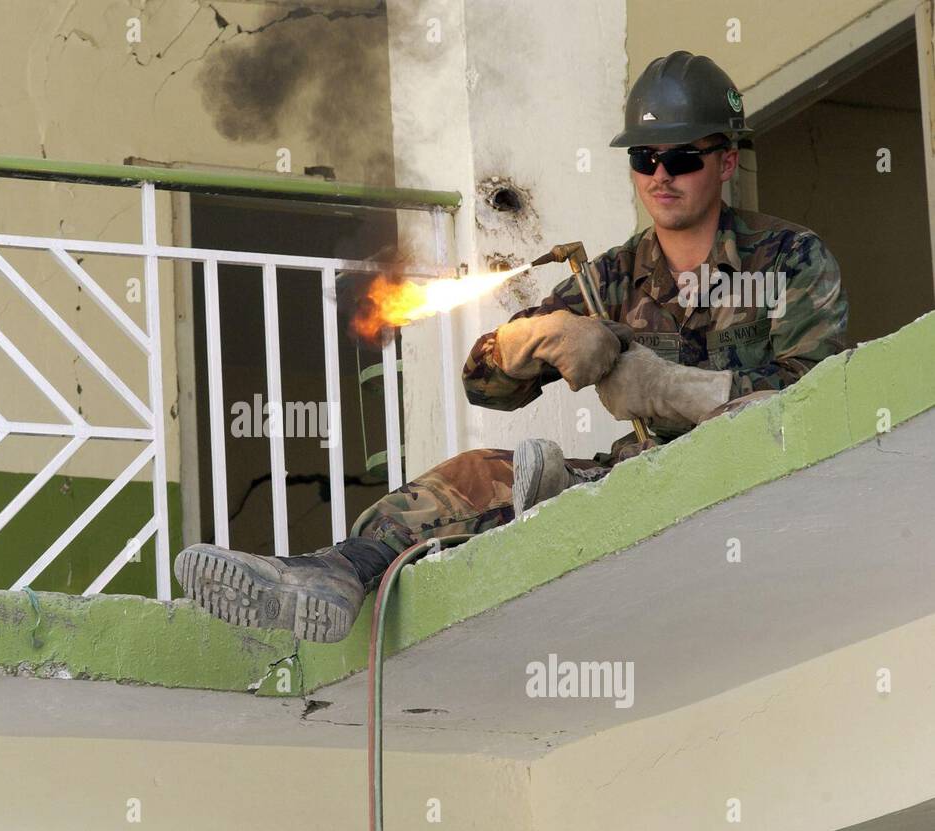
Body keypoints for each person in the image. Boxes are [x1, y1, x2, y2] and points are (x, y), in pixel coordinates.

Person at [174, 51, 848, 643]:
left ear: (726, 160)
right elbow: (484, 384)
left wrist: (670, 387)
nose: (659, 175)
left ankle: (547, 493)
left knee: (610, 465)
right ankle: (335, 572)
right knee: (472, 472)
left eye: (681, 157)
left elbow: (819, 395)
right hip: (634, 474)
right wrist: (529, 340)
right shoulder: (607, 277)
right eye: (644, 159)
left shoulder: (788, 259)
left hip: (735, 472)